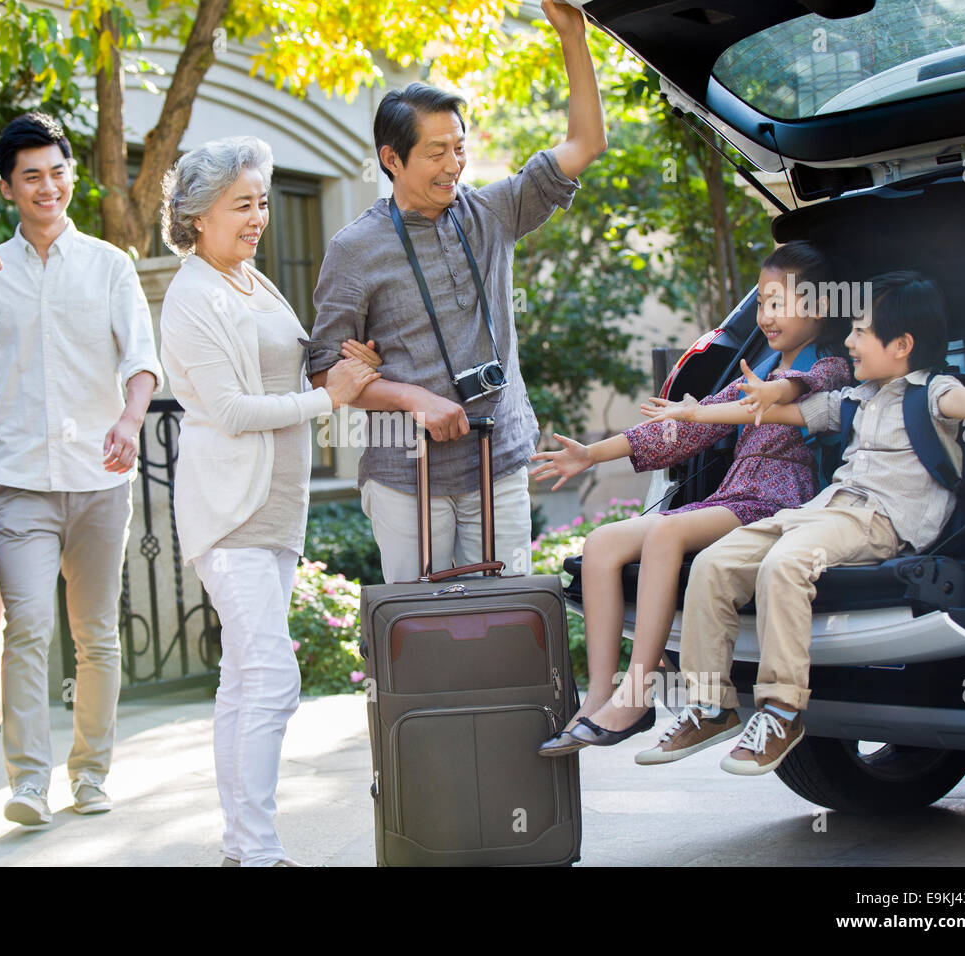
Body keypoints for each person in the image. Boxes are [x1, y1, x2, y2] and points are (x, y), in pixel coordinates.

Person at [640, 270, 965, 773]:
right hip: (828, 511)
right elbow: (775, 415)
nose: (848, 340)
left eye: (861, 330)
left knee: (785, 565)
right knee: (714, 563)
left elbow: (959, 403)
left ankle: (782, 708)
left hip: (880, 520)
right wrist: (696, 417)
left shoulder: (932, 391)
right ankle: (711, 706)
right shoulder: (856, 400)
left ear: (902, 344)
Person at [306, 0, 608, 584]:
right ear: (391, 159)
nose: (455, 165)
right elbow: (324, 374)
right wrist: (412, 398)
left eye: (460, 147)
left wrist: (574, 36)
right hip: (405, 472)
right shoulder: (354, 248)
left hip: (500, 459)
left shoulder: (492, 211)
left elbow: (587, 142)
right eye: (436, 152)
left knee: (504, 618)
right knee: (425, 634)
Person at [529, 242, 853, 757]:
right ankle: (599, 696)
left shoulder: (829, 367)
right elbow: (677, 431)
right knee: (602, 544)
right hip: (733, 496)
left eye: (780, 303)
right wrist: (590, 454)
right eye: (763, 302)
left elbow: (801, 386)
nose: (767, 316)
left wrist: (769, 392)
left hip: (776, 502)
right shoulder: (761, 367)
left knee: (666, 529)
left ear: (817, 307)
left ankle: (638, 694)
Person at [159, 136, 381, 867]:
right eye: (241, 205)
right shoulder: (193, 295)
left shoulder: (252, 281)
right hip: (229, 514)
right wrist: (326, 399)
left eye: (261, 202)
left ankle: (240, 848)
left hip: (278, 511)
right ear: (196, 216)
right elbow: (227, 408)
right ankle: (256, 853)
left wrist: (347, 369)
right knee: (272, 679)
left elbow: (293, 368)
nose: (258, 217)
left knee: (242, 681)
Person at [0, 112, 163, 826]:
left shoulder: (110, 265)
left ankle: (90, 773)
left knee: (95, 635)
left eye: (57, 171)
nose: (48, 185)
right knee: (27, 626)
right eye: (31, 176)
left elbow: (141, 360)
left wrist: (128, 418)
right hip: (23, 481)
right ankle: (28, 782)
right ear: (8, 187)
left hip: (99, 479)